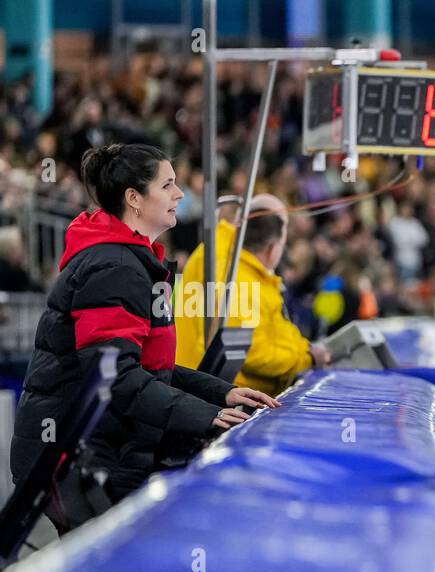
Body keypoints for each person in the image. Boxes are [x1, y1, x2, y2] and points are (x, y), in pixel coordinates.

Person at [9, 143, 279, 530]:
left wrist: (218, 394)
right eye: (167, 185)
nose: (180, 194)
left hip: (103, 448)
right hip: (78, 457)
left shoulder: (131, 260)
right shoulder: (113, 266)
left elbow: (147, 368)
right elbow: (116, 377)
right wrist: (208, 417)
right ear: (134, 198)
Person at [175, 193, 329, 396]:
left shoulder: (240, 264)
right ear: (274, 248)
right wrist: (305, 359)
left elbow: (274, 328)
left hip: (207, 391)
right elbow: (248, 351)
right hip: (211, 396)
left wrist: (304, 350)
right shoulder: (232, 272)